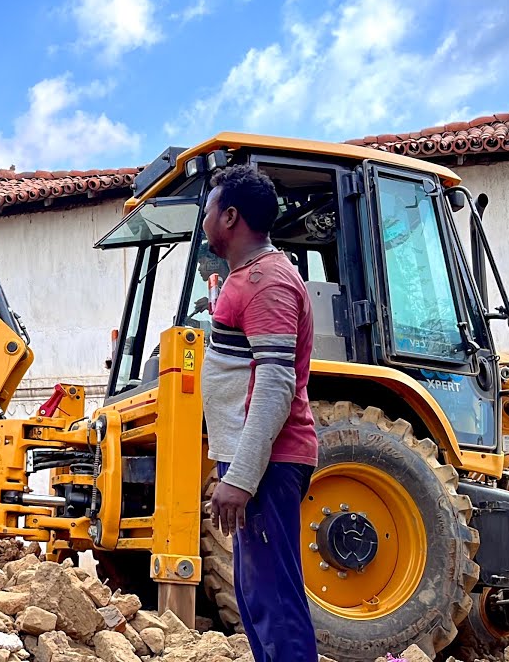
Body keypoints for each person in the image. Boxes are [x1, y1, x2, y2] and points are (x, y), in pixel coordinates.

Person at [199, 163, 319, 661]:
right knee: (256, 599)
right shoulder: (248, 278)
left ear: (229, 217)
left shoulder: (267, 282)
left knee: (275, 602)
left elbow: (274, 384)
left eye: (207, 209)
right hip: (254, 462)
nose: (202, 219)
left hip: (267, 464)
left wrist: (242, 477)